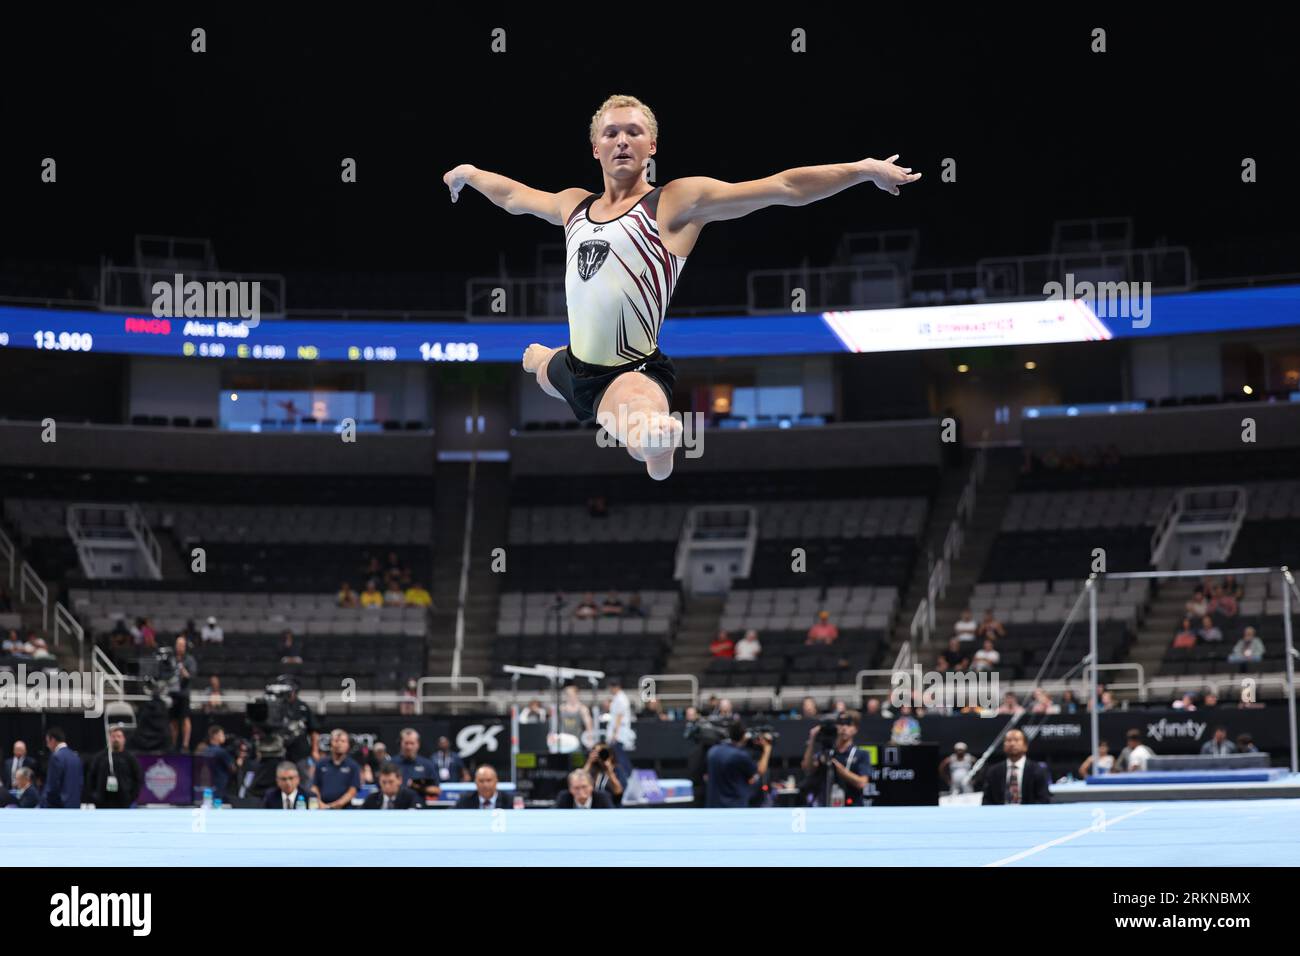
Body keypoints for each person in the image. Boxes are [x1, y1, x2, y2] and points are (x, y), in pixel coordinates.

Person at [451, 94, 920, 480]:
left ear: (651, 145)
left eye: (633, 132)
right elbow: (512, 196)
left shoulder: (672, 203)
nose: (622, 141)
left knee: (640, 427)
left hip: (629, 371)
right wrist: (470, 174)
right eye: (611, 133)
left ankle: (659, 444)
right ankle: (570, 379)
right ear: (595, 147)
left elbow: (784, 188)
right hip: (573, 365)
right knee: (537, 362)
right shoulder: (574, 205)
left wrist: (862, 169)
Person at [800, 711, 869, 806]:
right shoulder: (827, 752)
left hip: (852, 808)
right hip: (827, 807)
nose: (844, 728)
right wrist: (812, 739)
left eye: (848, 724)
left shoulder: (861, 754)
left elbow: (862, 783)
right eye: (840, 723)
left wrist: (841, 771)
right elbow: (808, 768)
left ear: (855, 729)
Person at [705, 720, 772, 808]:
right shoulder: (740, 756)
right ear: (744, 736)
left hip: (713, 806)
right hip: (735, 806)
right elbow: (760, 771)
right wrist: (767, 749)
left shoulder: (713, 751)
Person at [981, 729, 1052, 804]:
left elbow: (1044, 799)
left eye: (1016, 740)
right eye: (1008, 740)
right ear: (1003, 746)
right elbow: (986, 800)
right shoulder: (993, 772)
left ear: (1025, 746)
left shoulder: (1038, 770)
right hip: (1000, 813)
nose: (1012, 744)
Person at [85, 724, 142, 808]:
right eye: (113, 736)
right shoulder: (100, 758)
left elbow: (138, 779)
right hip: (103, 803)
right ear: (109, 739)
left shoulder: (130, 758)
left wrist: (131, 797)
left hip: (124, 803)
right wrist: (94, 796)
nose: (116, 739)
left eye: (119, 736)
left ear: (124, 739)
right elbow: (90, 778)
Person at [313, 729, 363, 809]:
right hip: (321, 808)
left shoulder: (353, 766)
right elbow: (315, 787)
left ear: (348, 745)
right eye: (336, 740)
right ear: (330, 743)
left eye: (343, 741)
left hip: (345, 809)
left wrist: (333, 806)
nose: (339, 744)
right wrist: (319, 803)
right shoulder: (321, 764)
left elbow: (353, 790)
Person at [166, 635, 198, 752]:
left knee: (185, 719)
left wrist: (182, 668)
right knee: (173, 721)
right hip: (172, 693)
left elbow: (191, 676)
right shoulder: (170, 659)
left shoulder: (190, 660)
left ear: (185, 647)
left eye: (181, 645)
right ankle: (173, 745)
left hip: (183, 693)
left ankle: (185, 745)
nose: (179, 647)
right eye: (177, 645)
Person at [391, 728, 440, 800]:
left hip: (419, 807)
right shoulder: (391, 764)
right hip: (397, 807)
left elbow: (436, 790)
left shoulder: (427, 765)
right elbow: (381, 787)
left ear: (418, 744)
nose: (409, 747)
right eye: (406, 743)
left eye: (412, 743)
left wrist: (418, 787)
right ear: (400, 743)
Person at [40, 727, 83, 808]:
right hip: (75, 805)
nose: (47, 745)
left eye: (47, 742)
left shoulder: (56, 757)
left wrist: (44, 805)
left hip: (59, 807)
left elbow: (52, 786)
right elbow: (80, 783)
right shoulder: (76, 757)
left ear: (52, 740)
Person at [605, 677, 636, 776]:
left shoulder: (621, 699)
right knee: (618, 754)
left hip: (619, 731)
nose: (610, 690)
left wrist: (615, 733)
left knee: (620, 755)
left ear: (615, 687)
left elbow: (619, 716)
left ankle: (628, 774)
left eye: (611, 688)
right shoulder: (617, 698)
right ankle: (626, 774)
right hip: (618, 730)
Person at [203, 725, 236, 800]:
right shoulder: (221, 752)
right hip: (220, 788)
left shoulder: (205, 750)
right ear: (215, 736)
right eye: (222, 734)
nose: (224, 737)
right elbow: (233, 769)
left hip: (209, 787)